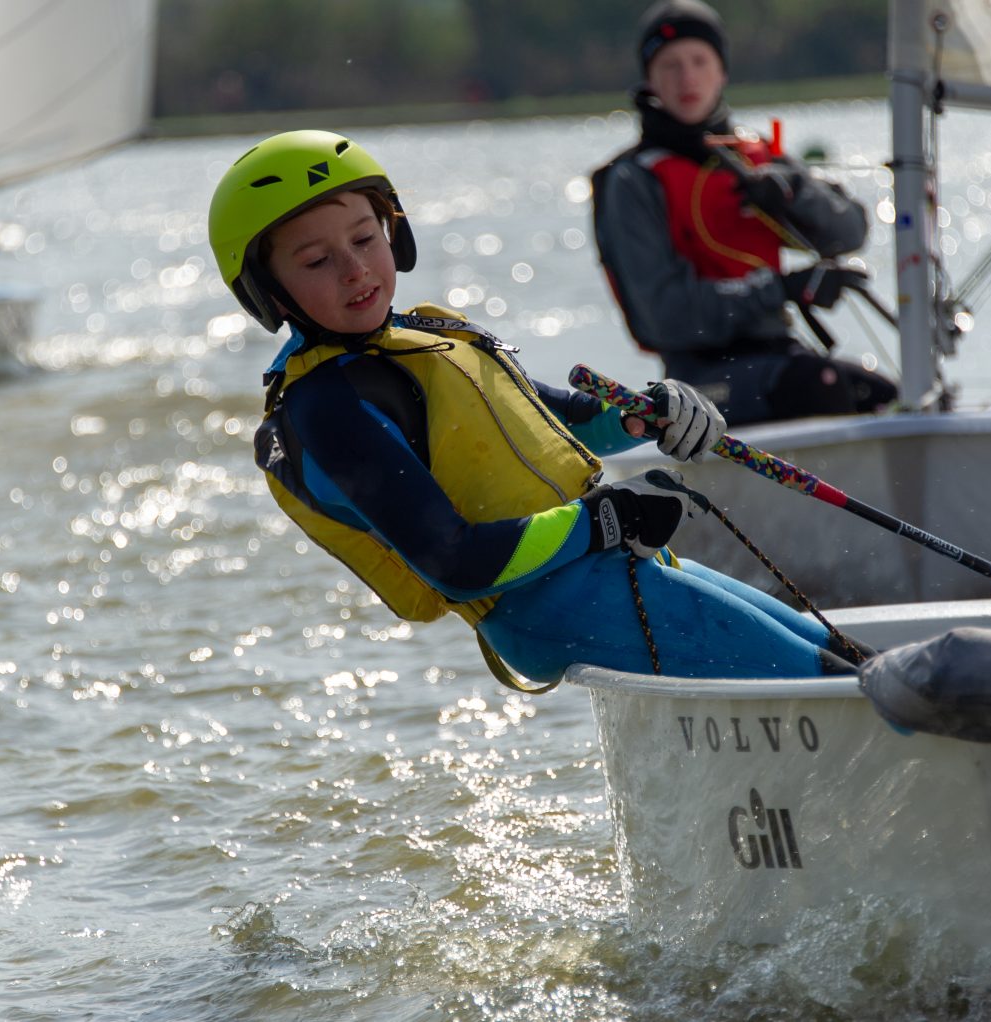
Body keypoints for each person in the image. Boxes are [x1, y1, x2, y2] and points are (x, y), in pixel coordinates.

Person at [208, 129, 865, 688]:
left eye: (364, 237)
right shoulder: (328, 411)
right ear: (271, 293)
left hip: (610, 567)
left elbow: (558, 417)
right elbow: (457, 565)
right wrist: (603, 519)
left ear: (394, 233)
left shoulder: (428, 334)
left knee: (841, 657)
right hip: (548, 608)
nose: (355, 270)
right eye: (318, 260)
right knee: (831, 679)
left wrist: (646, 414)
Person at [592, 0, 898, 426]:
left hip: (778, 356)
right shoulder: (632, 181)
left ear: (722, 72)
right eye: (670, 66)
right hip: (697, 382)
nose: (687, 78)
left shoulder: (756, 158)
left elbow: (850, 231)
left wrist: (793, 193)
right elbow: (667, 318)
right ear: (650, 80)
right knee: (821, 384)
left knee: (884, 395)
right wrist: (784, 288)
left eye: (700, 61)